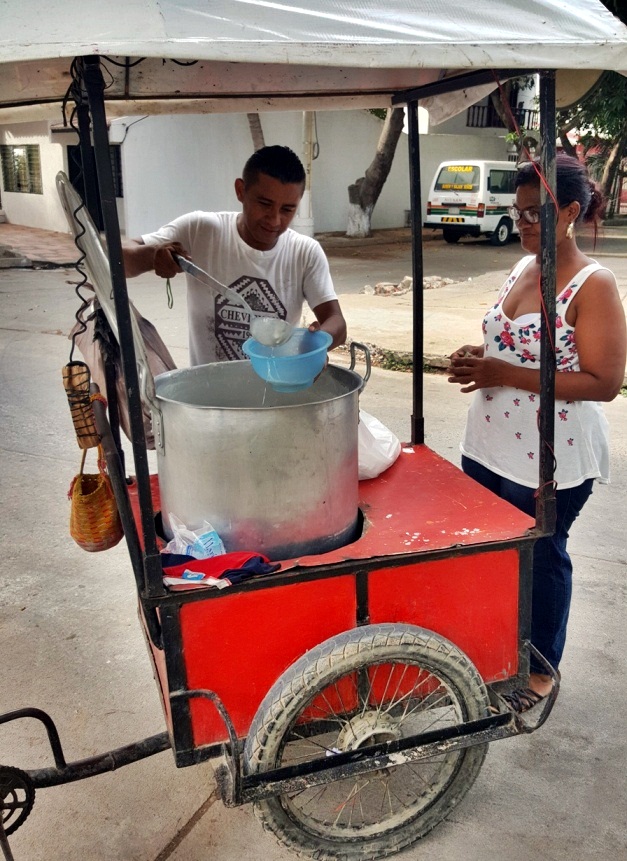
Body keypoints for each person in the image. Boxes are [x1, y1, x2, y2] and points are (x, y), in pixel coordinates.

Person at [447, 153, 626, 713]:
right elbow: (514, 345)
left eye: (536, 214)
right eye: (519, 212)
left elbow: (604, 381)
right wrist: (481, 358)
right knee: (497, 554)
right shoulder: (523, 267)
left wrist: (501, 372)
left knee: (543, 554)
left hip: (552, 455)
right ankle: (499, 647)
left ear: (571, 212)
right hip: (490, 444)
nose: (524, 224)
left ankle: (541, 666)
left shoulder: (594, 285)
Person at [122, 145, 346, 364]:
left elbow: (336, 321)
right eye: (264, 204)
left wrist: (317, 344)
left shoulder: (304, 252)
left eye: (287, 210)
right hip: (208, 395)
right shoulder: (199, 230)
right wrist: (151, 256)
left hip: (275, 391)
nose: (275, 220)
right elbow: (121, 258)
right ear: (241, 190)